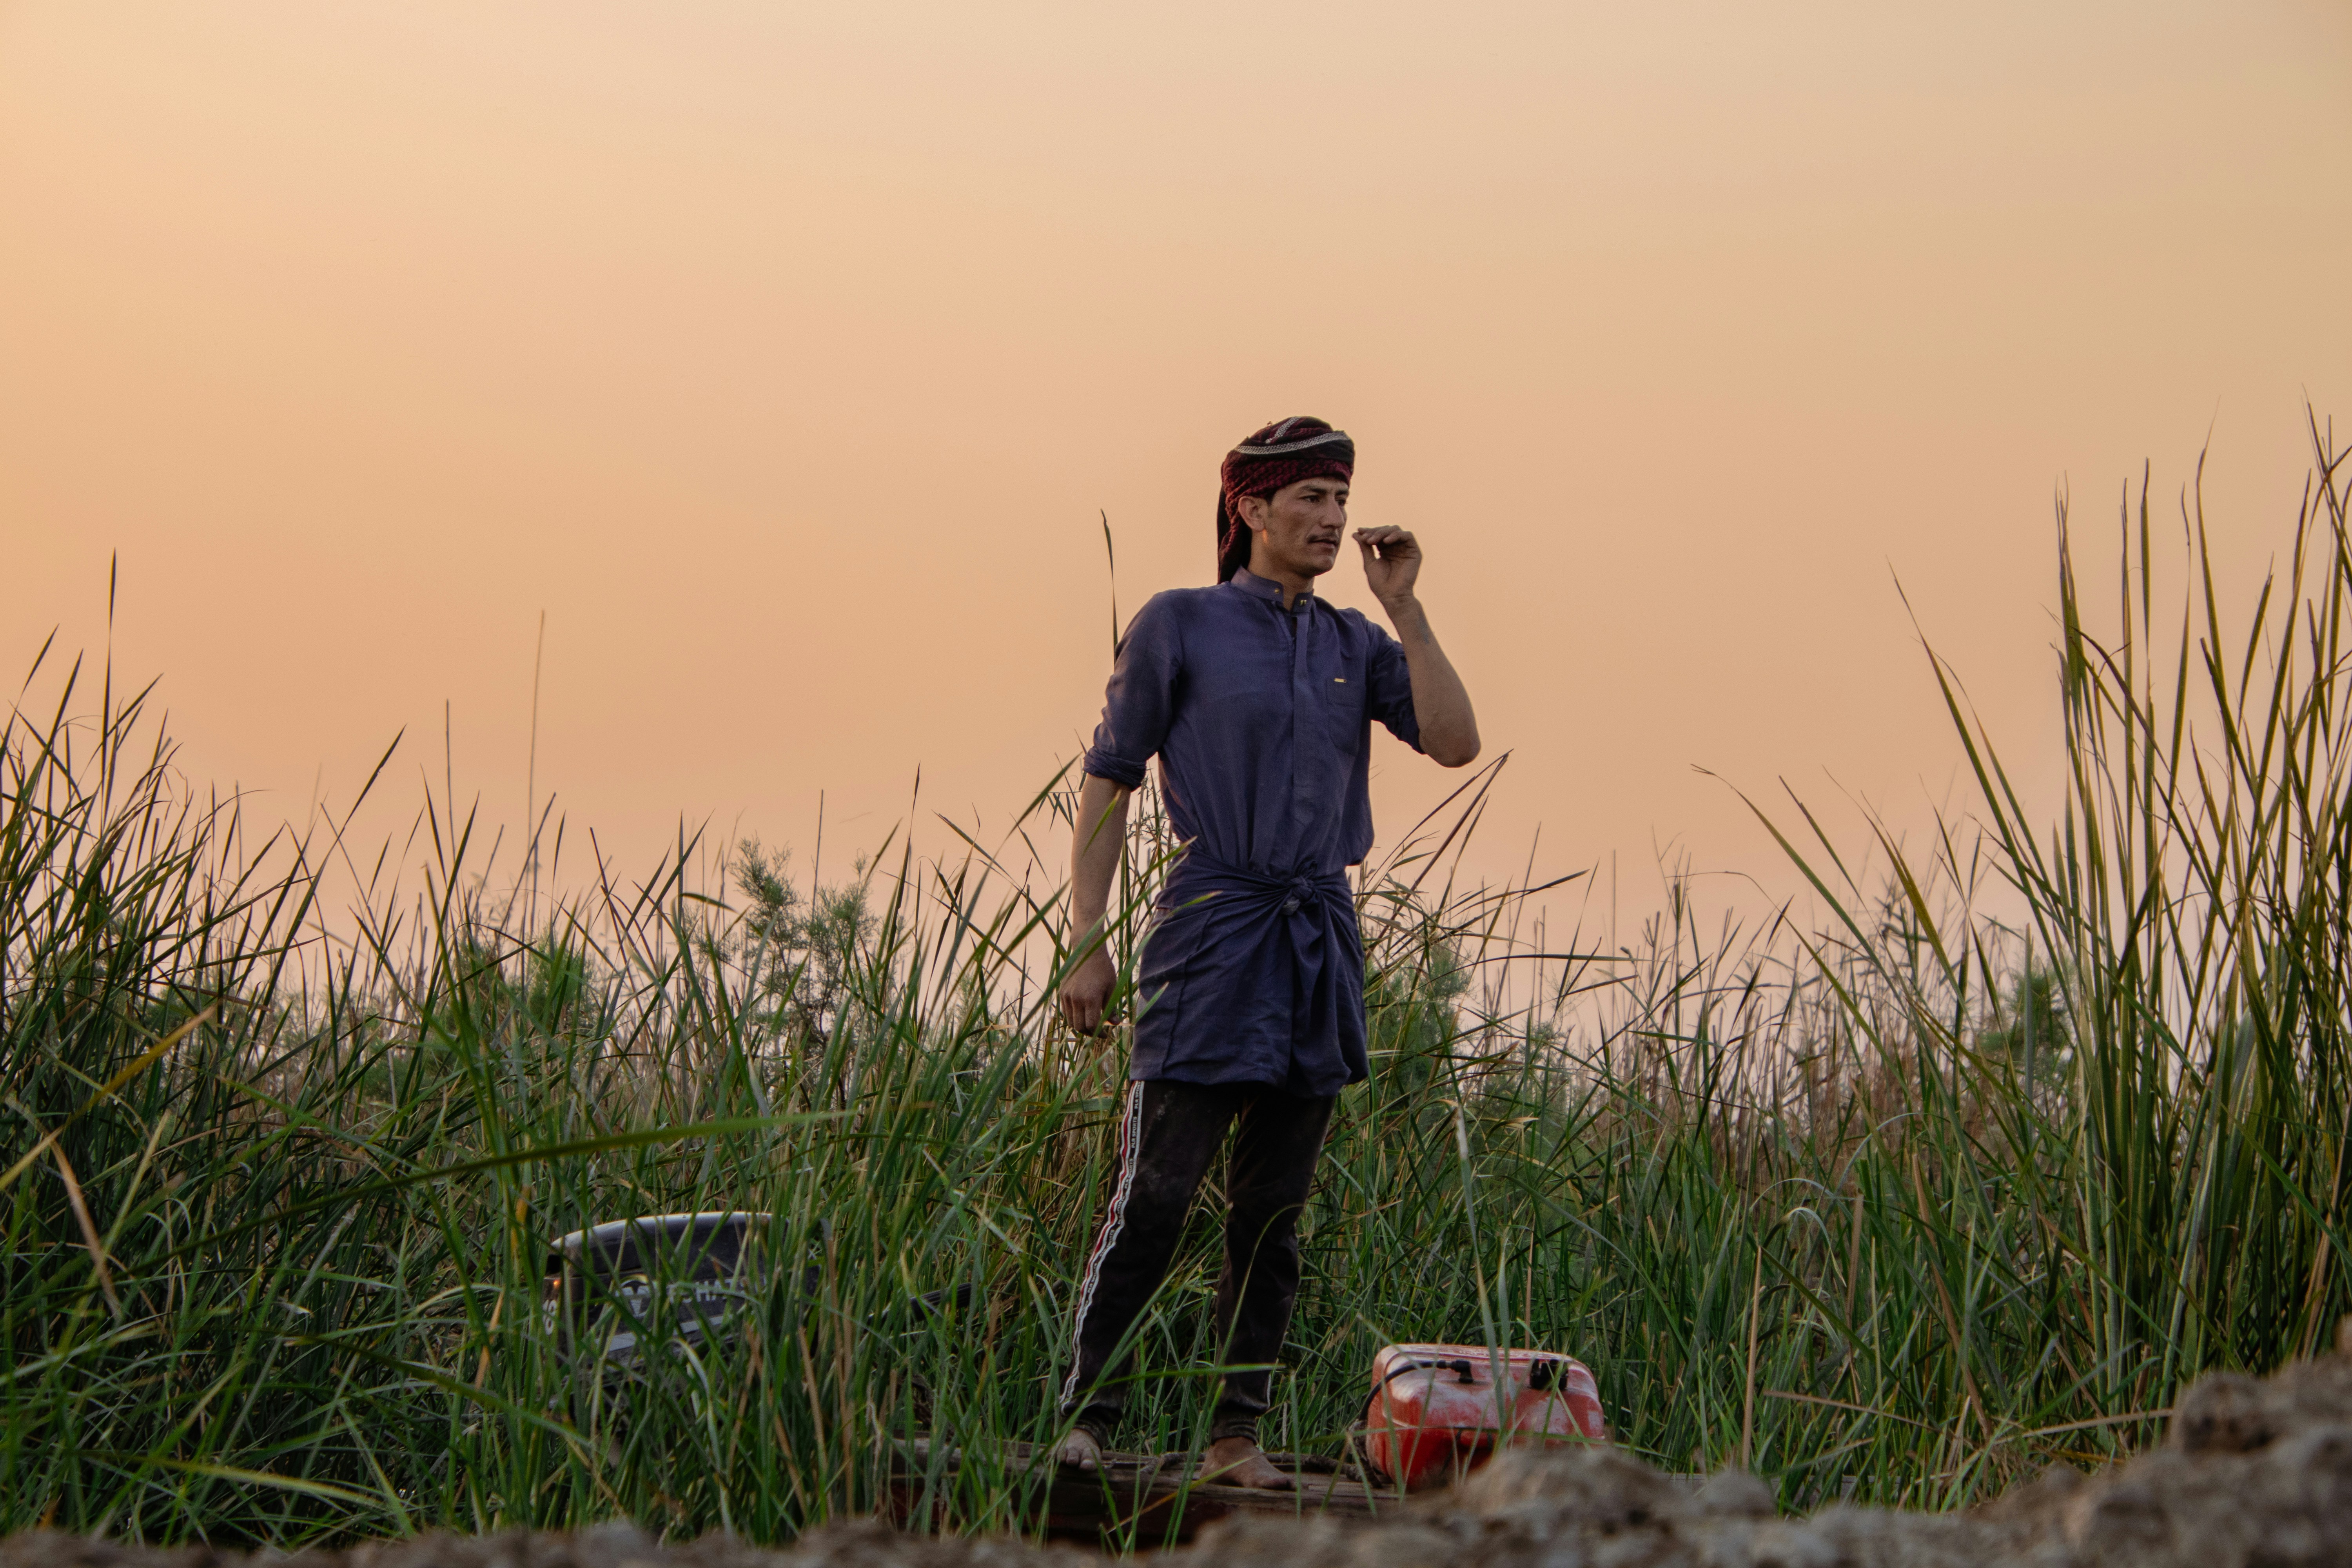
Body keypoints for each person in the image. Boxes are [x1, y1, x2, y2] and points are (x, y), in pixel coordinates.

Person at [1054, 416, 1481, 1488]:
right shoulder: (1181, 624)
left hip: (1315, 941)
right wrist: (1088, 940)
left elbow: (1456, 742)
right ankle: (1087, 1420)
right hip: (1212, 930)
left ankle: (1234, 1437)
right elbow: (1109, 777)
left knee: (1273, 1214)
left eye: (1342, 500)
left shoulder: (1354, 644)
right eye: (1312, 500)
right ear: (1251, 508)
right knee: (1156, 1193)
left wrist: (1407, 610)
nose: (1333, 519)